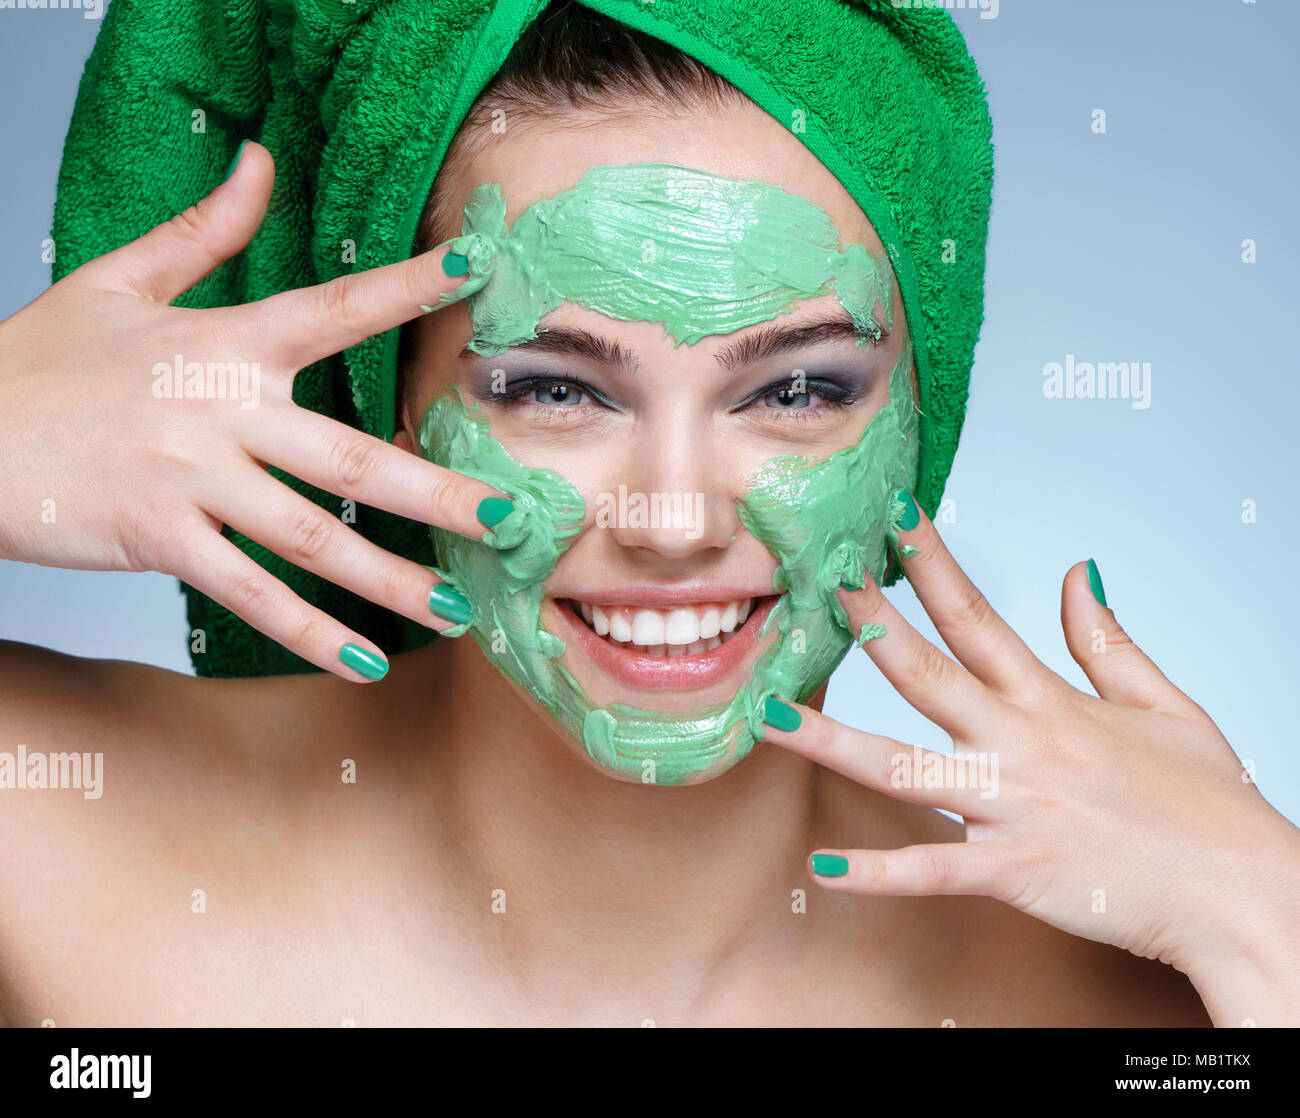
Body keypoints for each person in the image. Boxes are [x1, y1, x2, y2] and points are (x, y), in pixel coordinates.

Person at [0, 3, 1295, 1026]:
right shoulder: (47, 845)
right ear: (387, 401)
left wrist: (1267, 904)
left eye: (793, 388)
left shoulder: (1142, 998)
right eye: (555, 388)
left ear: (921, 422)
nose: (671, 516)